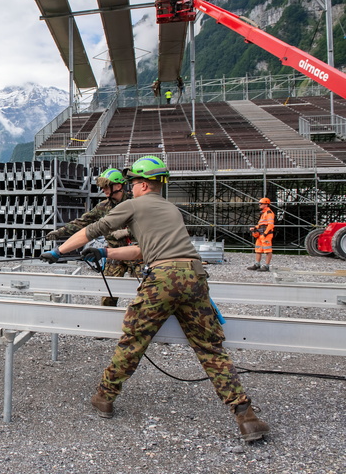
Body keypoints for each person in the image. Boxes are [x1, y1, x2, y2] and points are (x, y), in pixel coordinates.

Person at [40, 156, 269, 442]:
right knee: (211, 348)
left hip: (162, 279)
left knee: (133, 341)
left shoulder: (133, 204)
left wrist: (59, 252)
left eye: (133, 182)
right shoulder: (171, 209)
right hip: (194, 277)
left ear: (144, 184)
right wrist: (105, 253)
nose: (130, 186)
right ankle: (246, 416)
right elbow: (142, 251)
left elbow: (93, 229)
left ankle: (105, 397)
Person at [45, 168, 141, 306]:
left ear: (118, 186)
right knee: (108, 295)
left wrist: (128, 233)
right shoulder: (103, 207)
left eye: (107, 186)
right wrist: (59, 232)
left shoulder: (135, 204)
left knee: (142, 292)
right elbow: (82, 222)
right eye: (102, 187)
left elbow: (149, 227)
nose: (104, 190)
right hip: (114, 254)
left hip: (136, 254)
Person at [248, 198, 274, 272]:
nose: (259, 205)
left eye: (261, 204)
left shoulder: (269, 213)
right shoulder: (263, 213)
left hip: (266, 234)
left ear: (266, 204)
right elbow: (261, 224)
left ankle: (266, 266)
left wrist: (265, 233)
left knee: (267, 250)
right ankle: (257, 264)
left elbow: (270, 225)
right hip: (261, 234)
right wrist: (255, 228)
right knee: (258, 249)